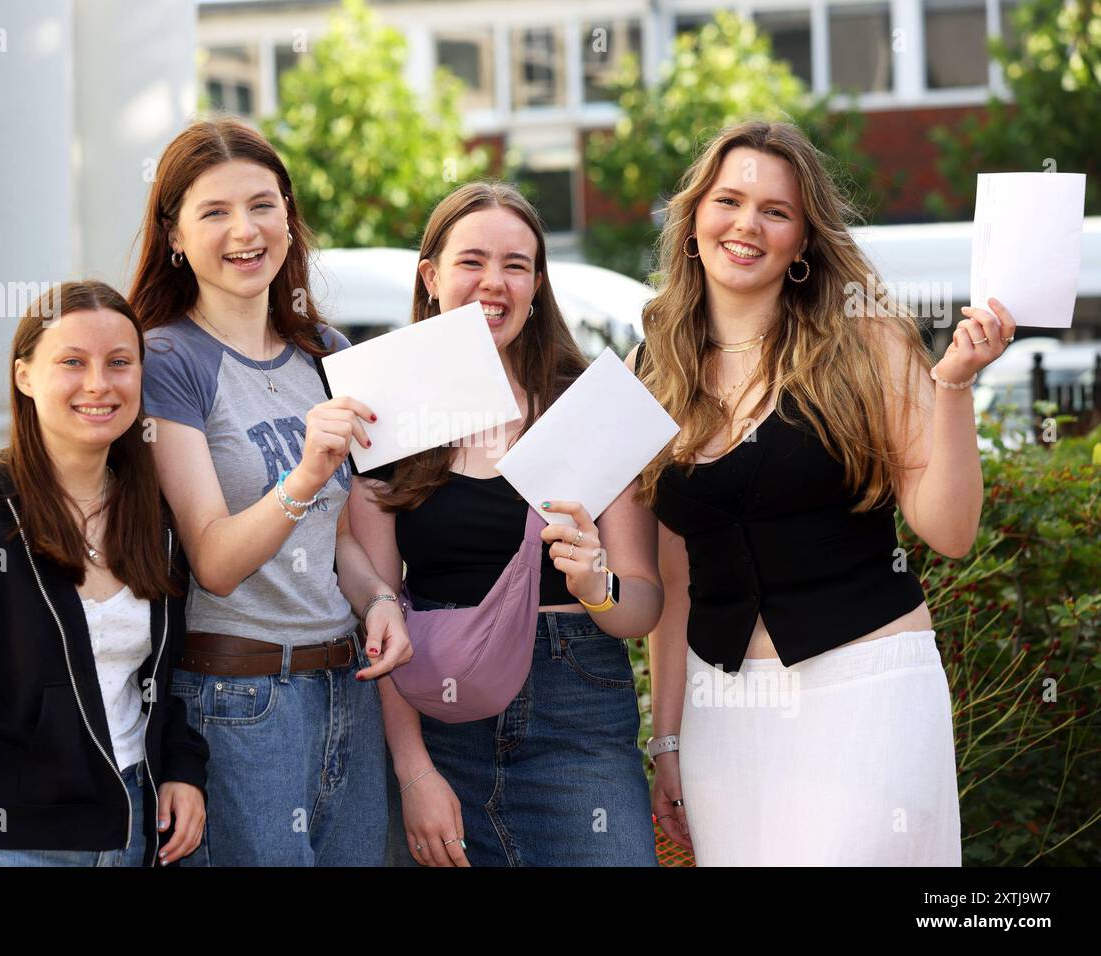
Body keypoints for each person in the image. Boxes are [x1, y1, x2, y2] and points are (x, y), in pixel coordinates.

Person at [632, 120, 1018, 865]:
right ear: (693, 220)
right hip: (725, 716)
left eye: (775, 211)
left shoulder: (865, 341)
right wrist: (668, 739)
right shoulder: (655, 365)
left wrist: (953, 388)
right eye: (729, 201)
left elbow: (950, 530)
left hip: (865, 694)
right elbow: (674, 580)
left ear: (803, 241)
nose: (747, 225)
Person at [349, 182, 664, 867]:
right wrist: (414, 774)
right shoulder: (385, 411)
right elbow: (378, 613)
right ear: (430, 277)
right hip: (439, 724)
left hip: (576, 718)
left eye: (516, 265)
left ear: (537, 283)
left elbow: (643, 604)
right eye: (472, 261)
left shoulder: (590, 403)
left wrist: (598, 585)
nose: (494, 282)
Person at [130, 118, 411, 866]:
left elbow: (340, 541)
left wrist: (381, 601)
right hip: (239, 703)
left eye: (262, 204)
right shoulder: (165, 359)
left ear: (289, 214)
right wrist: (308, 471)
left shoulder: (328, 353)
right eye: (214, 212)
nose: (245, 230)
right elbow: (215, 559)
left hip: (345, 688)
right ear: (175, 237)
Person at [0, 280, 208, 867]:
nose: (98, 384)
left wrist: (182, 769)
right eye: (72, 362)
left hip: (132, 827)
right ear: (24, 376)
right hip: (8, 843)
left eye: (119, 363)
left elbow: (165, 673)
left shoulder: (152, 513)